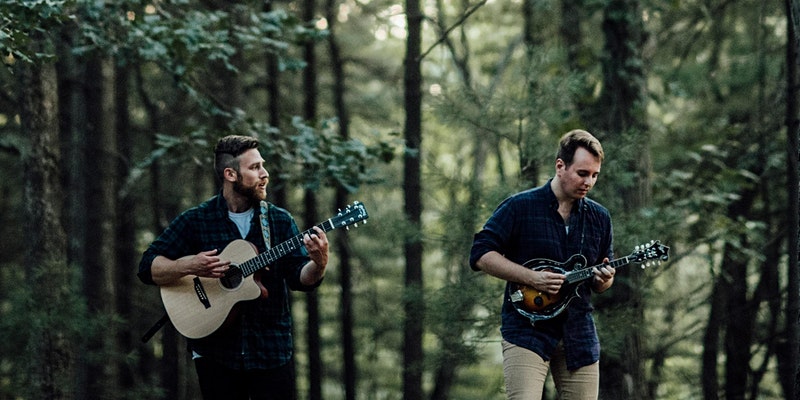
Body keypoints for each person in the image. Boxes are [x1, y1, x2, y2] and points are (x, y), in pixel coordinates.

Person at [138, 135, 329, 400]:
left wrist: (318, 265)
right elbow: (148, 267)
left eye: (262, 165)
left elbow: (299, 278)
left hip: (270, 350)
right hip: (216, 353)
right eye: (255, 168)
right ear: (230, 174)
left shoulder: (278, 220)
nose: (265, 174)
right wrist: (189, 264)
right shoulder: (197, 220)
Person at [469, 129, 616, 400]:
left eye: (595, 175)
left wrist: (604, 279)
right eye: (582, 173)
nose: (589, 182)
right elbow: (480, 254)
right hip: (527, 329)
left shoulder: (600, 218)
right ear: (560, 166)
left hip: (578, 332)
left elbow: (602, 282)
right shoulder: (520, 207)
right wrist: (531, 278)